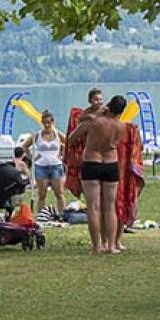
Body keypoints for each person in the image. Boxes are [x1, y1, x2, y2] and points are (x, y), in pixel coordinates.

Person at [69, 99, 124, 254]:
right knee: (110, 206)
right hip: (111, 163)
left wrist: (94, 115)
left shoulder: (94, 122)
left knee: (93, 207)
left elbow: (72, 137)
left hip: (92, 162)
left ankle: (97, 246)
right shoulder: (121, 126)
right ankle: (111, 245)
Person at [112, 94, 145, 234]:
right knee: (130, 194)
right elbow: (140, 147)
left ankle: (109, 237)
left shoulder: (104, 125)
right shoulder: (131, 129)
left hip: (113, 165)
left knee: (111, 201)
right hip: (128, 167)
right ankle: (121, 232)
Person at [30, 112, 68, 215]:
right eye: (44, 123)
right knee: (42, 194)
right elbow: (24, 147)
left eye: (48, 123)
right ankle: (42, 216)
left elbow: (68, 143)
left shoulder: (58, 134)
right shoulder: (37, 135)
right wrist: (32, 158)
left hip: (56, 166)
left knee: (59, 193)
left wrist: (63, 157)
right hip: (41, 167)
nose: (46, 125)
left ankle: (62, 214)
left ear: (52, 122)